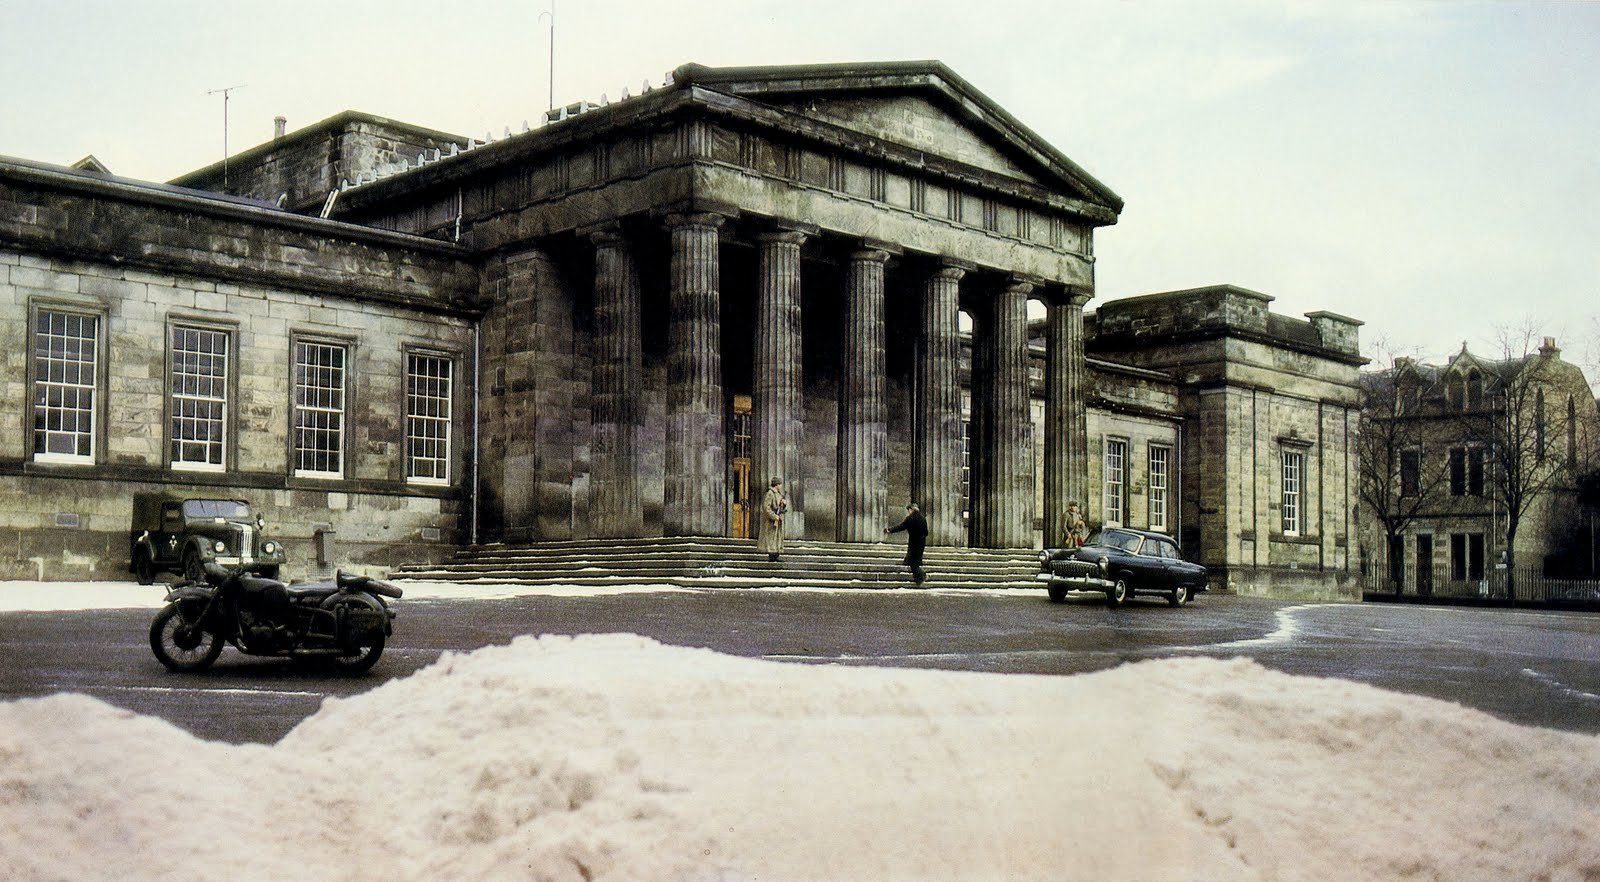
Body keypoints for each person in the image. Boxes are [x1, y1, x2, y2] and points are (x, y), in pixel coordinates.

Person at [885, 502, 929, 585]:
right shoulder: (923, 518)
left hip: (913, 543)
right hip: (921, 543)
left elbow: (901, 527)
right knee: (915, 562)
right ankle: (919, 580)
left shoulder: (910, 518)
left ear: (911, 510)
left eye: (908, 510)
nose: (908, 512)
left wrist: (890, 530)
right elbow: (926, 532)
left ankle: (921, 577)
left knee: (913, 563)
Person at [759, 477, 788, 562]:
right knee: (772, 538)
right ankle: (772, 556)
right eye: (780, 484)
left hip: (777, 519)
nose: (781, 486)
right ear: (777, 484)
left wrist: (783, 504)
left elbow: (779, 506)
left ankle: (776, 555)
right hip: (771, 521)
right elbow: (766, 508)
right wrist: (774, 516)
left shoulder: (778, 494)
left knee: (777, 537)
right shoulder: (770, 493)